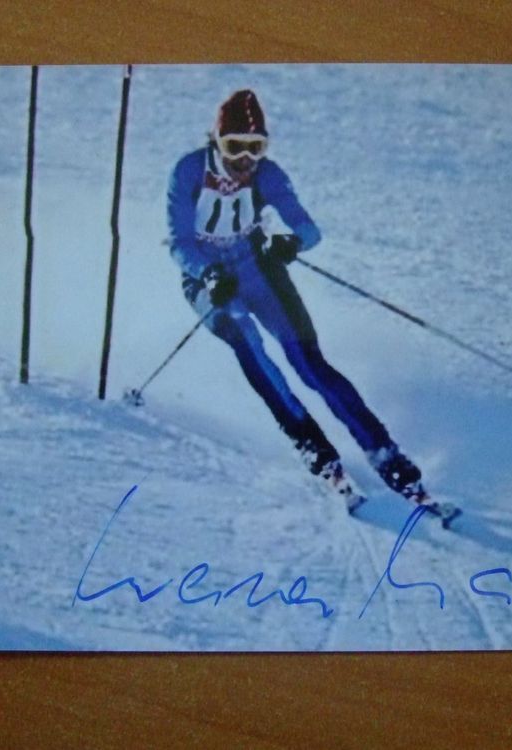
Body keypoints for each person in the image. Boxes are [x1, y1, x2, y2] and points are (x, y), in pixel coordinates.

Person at [166, 89, 430, 510]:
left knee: (307, 360)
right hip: (209, 280)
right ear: (216, 142)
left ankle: (383, 450)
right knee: (247, 339)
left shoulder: (268, 175)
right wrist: (208, 271)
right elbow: (179, 242)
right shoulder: (189, 171)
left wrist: (291, 243)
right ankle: (312, 445)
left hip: (256, 268)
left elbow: (310, 230)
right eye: (236, 147)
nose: (246, 160)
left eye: (257, 147)